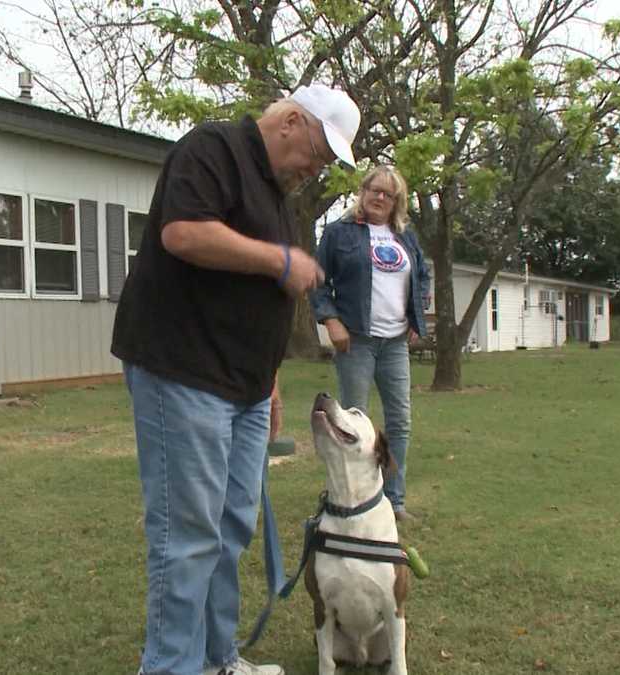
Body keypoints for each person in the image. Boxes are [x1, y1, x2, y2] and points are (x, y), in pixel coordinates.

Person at [110, 84, 360, 675]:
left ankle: (218, 659)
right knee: (187, 535)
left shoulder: (274, 195)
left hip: (243, 387)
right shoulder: (213, 149)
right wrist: (279, 260)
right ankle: (171, 667)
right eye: (317, 154)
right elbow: (184, 234)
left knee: (229, 530)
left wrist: (268, 379)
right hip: (183, 373)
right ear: (291, 122)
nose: (314, 170)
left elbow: (253, 302)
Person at [309, 166, 431, 522]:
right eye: (374, 190)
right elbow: (317, 282)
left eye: (388, 194)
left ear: (396, 202)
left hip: (394, 344)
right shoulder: (338, 233)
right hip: (356, 342)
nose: (380, 198)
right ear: (362, 193)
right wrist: (331, 321)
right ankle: (351, 498)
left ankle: (393, 502)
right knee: (350, 428)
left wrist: (415, 315)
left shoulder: (406, 238)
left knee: (400, 422)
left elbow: (422, 276)